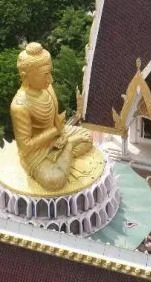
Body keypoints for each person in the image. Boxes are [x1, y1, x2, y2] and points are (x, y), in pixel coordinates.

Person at [10, 43, 94, 191]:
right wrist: (56, 131)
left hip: (56, 135)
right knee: (54, 181)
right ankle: (68, 147)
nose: (50, 80)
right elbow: (26, 147)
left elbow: (55, 119)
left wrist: (60, 133)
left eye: (50, 73)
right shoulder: (19, 106)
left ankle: (63, 152)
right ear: (25, 76)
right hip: (35, 152)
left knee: (87, 135)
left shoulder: (47, 89)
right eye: (45, 75)